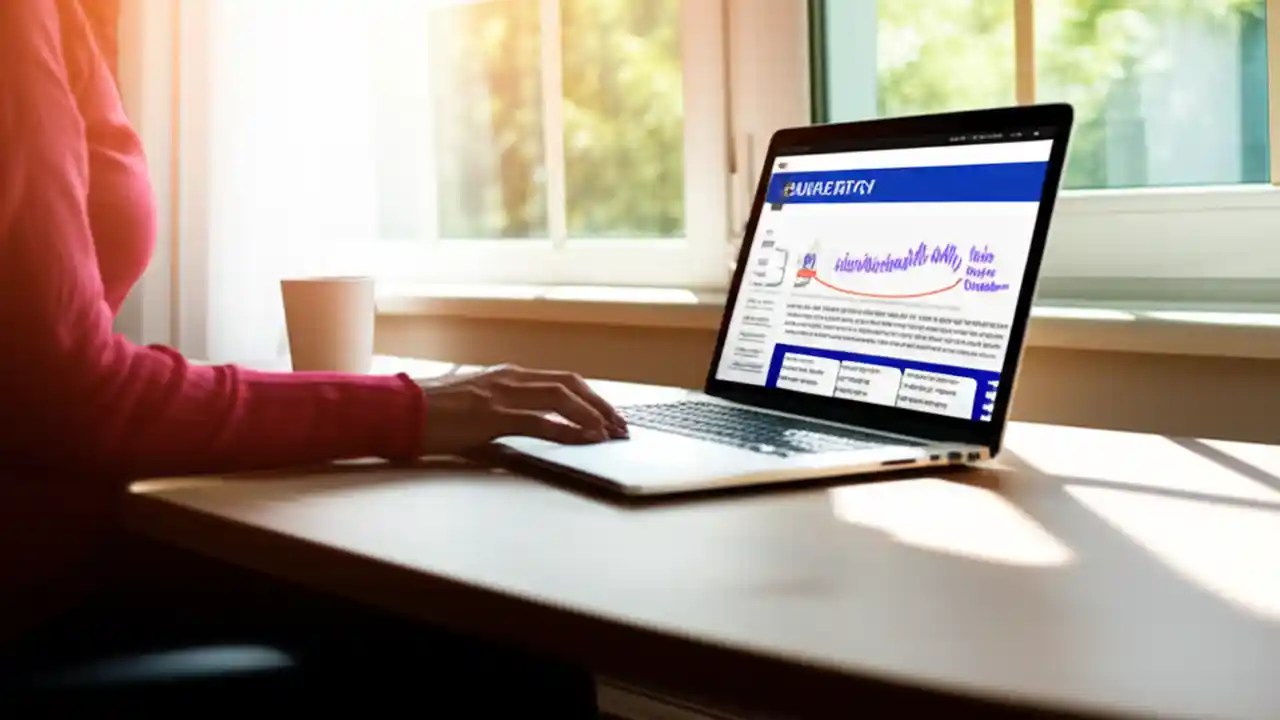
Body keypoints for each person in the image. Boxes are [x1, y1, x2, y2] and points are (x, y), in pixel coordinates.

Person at [0, 0, 623, 712]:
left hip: (62, 550)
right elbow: (68, 389)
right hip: (29, 596)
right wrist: (411, 408)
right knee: (512, 661)